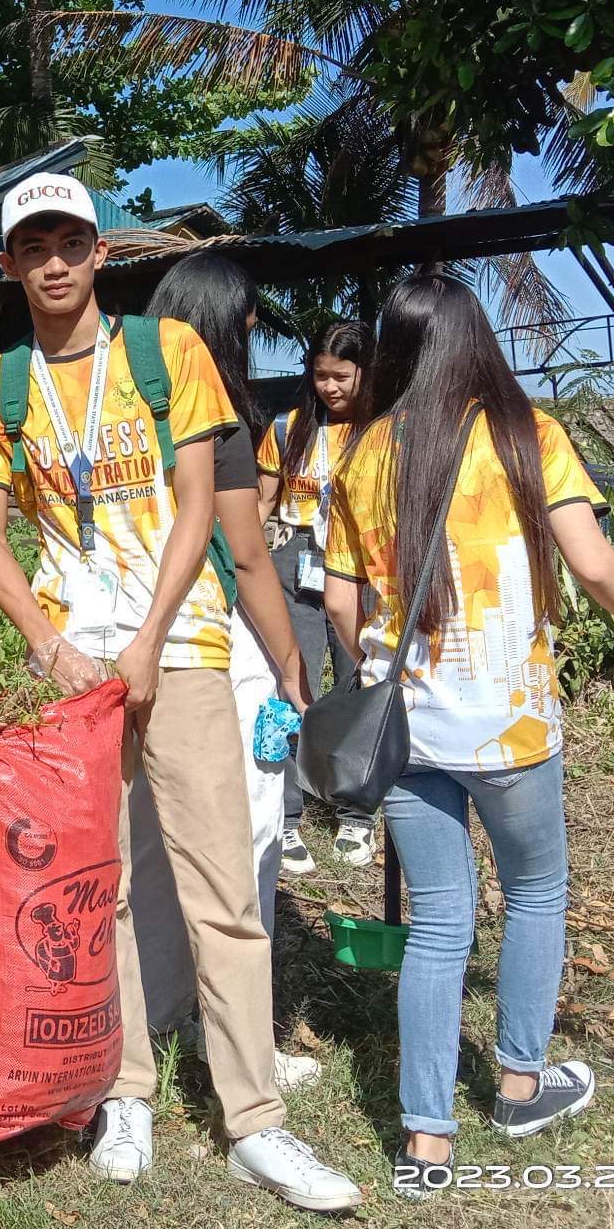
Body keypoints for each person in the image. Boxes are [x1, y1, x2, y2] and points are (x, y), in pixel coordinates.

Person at [0, 173, 362, 1213]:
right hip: (73, 674)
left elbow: (201, 506)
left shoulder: (165, 354)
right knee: (104, 891)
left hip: (175, 652)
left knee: (223, 890)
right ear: (8, 264)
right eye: (32, 245)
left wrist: (147, 640)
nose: (52, 260)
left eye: (71, 241)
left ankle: (255, 1123)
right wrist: (49, 648)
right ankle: (126, 1090)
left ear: (101, 254)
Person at [321, 276, 614, 1200]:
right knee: (537, 890)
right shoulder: (524, 435)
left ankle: (426, 1142)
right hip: (510, 724)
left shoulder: (364, 453)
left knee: (438, 924)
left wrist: (389, 670)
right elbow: (591, 560)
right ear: (474, 341)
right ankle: (518, 1084)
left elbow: (343, 601)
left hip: (410, 732)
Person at [143, 256, 314, 987]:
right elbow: (247, 559)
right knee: (248, 825)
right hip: (214, 641)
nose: (253, 333)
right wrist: (292, 667)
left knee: (148, 837)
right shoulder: (220, 423)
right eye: (248, 321)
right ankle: (233, 1023)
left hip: (124, 636)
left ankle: (159, 1004)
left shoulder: (121, 402)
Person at [257, 320, 376, 871]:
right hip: (294, 560)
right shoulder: (288, 429)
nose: (330, 387)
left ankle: (356, 814)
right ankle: (289, 815)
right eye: (321, 376)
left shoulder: (383, 431)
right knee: (294, 681)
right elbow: (262, 504)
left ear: (365, 374)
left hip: (359, 566)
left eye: (342, 377)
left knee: (359, 683)